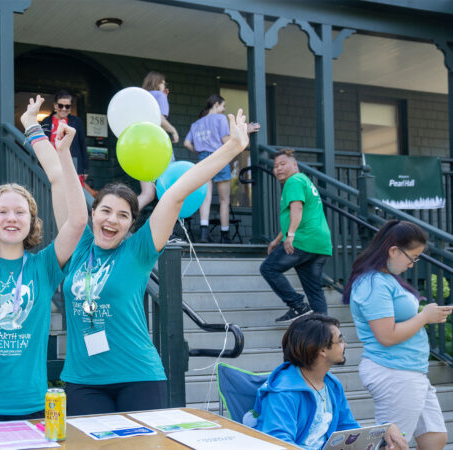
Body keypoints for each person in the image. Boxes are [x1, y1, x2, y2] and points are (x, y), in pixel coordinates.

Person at [48, 107, 251, 415]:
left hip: (138, 378)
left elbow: (176, 193)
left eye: (123, 215)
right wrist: (63, 152)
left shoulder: (139, 250)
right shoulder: (78, 244)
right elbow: (64, 190)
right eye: (105, 211)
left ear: (132, 224)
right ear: (93, 214)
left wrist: (231, 149)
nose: (112, 220)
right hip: (83, 381)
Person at [0, 95, 87, 422]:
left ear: (32, 221)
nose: (11, 218)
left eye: (20, 211)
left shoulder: (44, 266)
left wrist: (64, 156)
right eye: (2, 211)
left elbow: (78, 221)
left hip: (30, 406)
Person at [345, 220, 451, 449]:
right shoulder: (373, 283)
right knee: (394, 444)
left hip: (409, 369)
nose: (413, 264)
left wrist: (424, 314)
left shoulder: (385, 280)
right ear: (393, 250)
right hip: (394, 371)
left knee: (435, 437)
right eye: (412, 257)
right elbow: (387, 336)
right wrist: (424, 317)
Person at [253, 314, 407, 450]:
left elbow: (347, 430)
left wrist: (384, 431)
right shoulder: (283, 391)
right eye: (340, 341)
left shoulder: (332, 385)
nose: (345, 345)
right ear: (322, 350)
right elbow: (278, 443)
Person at [260, 149, 332, 322]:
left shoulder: (293, 181)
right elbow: (297, 214)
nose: (278, 169)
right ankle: (325, 331)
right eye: (275, 166)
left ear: (294, 165)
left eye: (282, 164)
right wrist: (278, 240)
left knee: (269, 268)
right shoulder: (304, 181)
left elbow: (297, 209)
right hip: (320, 244)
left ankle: (298, 305)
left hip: (303, 239)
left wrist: (290, 236)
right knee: (314, 290)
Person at [184, 94, 260, 243]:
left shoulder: (196, 124)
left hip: (203, 159)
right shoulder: (220, 119)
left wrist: (200, 151)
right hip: (220, 157)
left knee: (205, 198)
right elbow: (226, 140)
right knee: (224, 200)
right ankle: (225, 235)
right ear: (216, 104)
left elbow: (187, 143)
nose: (224, 110)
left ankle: (204, 233)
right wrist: (245, 132)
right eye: (223, 106)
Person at [137, 71, 179, 210]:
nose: (164, 85)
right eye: (163, 83)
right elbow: (160, 119)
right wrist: (173, 130)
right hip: (158, 146)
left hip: (139, 146)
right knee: (167, 191)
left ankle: (125, 221)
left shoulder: (140, 98)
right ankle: (167, 231)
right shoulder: (160, 96)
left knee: (147, 194)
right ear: (157, 83)